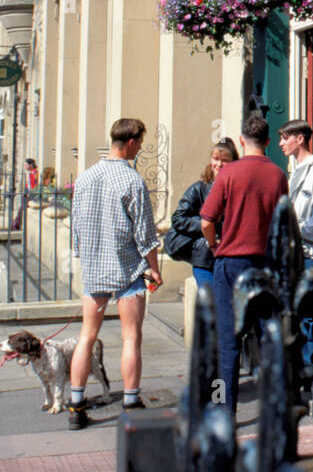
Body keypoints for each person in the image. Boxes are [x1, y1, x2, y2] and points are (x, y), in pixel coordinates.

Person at [67, 118, 161, 429]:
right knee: (131, 338)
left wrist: (85, 257)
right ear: (131, 142)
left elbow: (77, 227)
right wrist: (155, 269)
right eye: (141, 142)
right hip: (127, 270)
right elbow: (145, 234)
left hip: (94, 270)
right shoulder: (132, 181)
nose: (141, 148)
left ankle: (76, 404)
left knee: (86, 337)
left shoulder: (85, 178)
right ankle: (131, 401)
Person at [199, 113, 288, 414]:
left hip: (230, 263)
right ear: (267, 142)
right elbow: (284, 224)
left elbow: (206, 220)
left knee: (226, 342)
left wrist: (214, 245)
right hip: (264, 266)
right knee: (268, 338)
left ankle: (222, 408)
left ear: (241, 140)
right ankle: (275, 409)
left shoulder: (229, 173)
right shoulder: (278, 175)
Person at [278, 120, 313, 372]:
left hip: (309, 254)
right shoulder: (293, 170)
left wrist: (299, 232)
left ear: (300, 138)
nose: (281, 143)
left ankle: (310, 366)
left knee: (309, 312)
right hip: (293, 253)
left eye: (285, 138)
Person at [170, 139, 238, 290]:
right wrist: (207, 224)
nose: (219, 164)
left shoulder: (239, 188)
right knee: (212, 304)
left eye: (225, 161)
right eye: (216, 159)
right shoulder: (199, 188)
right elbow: (178, 218)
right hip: (205, 257)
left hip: (231, 257)